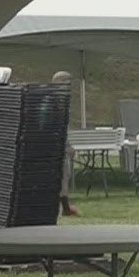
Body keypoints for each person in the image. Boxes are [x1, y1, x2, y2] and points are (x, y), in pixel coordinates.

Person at [52, 71, 80, 218]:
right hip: (58, 146)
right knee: (63, 175)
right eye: (68, 83)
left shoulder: (53, 100)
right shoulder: (58, 102)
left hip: (55, 144)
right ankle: (65, 208)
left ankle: (65, 207)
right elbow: (60, 127)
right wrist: (68, 147)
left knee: (63, 176)